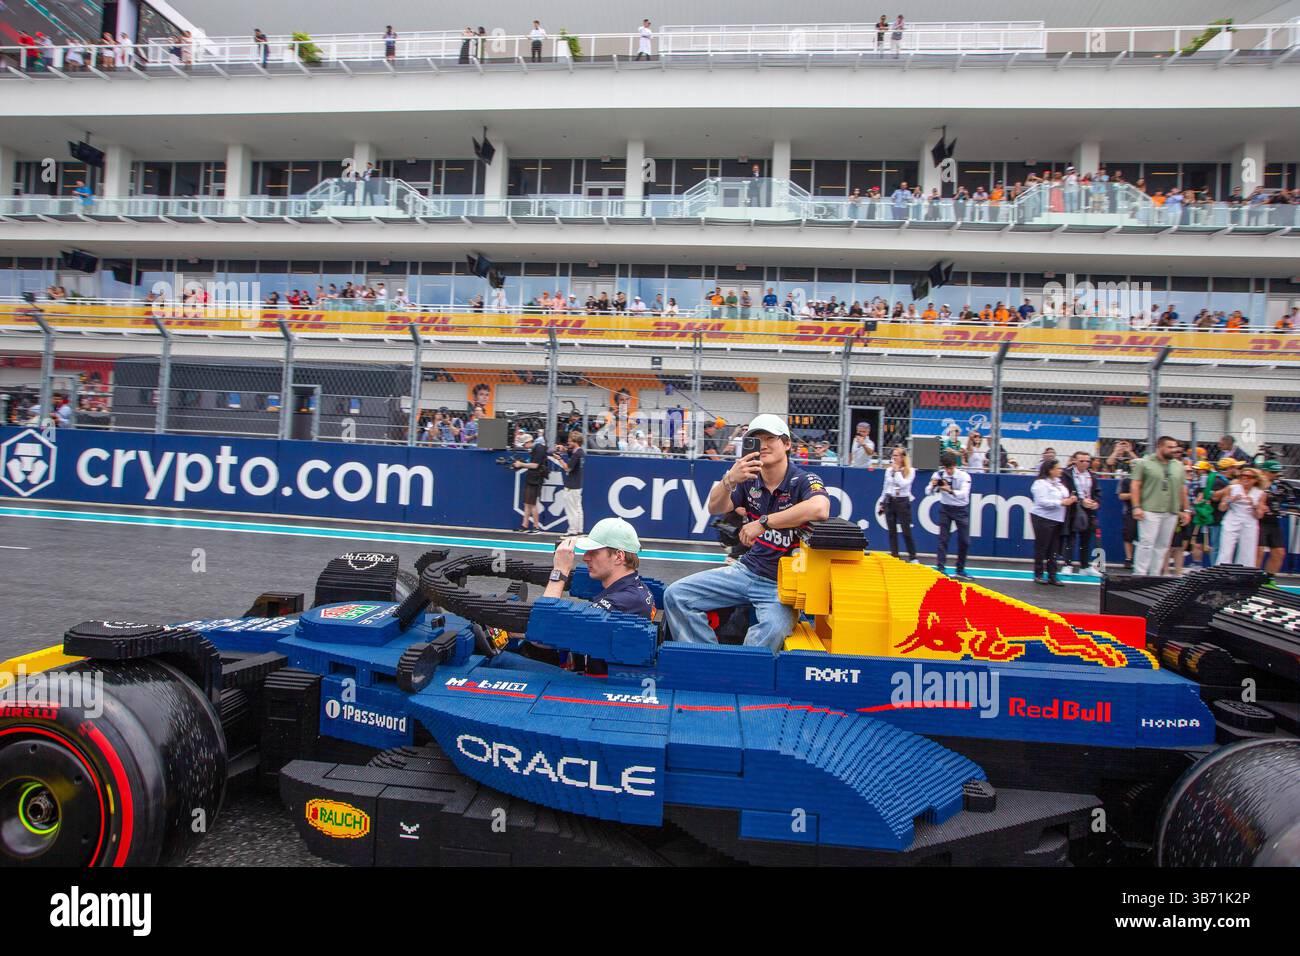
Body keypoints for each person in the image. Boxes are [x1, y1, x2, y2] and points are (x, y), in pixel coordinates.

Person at [664, 414, 831, 652]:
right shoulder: (747, 480)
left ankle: (740, 672)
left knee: (772, 629)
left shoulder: (803, 479)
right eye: (756, 439)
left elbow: (820, 508)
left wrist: (764, 522)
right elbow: (715, 507)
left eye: (769, 438)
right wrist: (729, 479)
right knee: (676, 595)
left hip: (780, 586)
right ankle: (706, 660)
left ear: (786, 444)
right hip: (746, 570)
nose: (762, 445)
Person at [544, 518, 654, 617]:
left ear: (619, 556)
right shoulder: (635, 590)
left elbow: (544, 621)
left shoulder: (620, 602)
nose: (585, 557)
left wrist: (559, 572)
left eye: (594, 552)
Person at [1129, 436, 1191, 576]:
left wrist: (1186, 510)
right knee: (1146, 543)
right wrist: (1136, 506)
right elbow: (1135, 485)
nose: (1173, 450)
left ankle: (1155, 575)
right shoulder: (1144, 463)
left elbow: (1182, 489)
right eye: (1169, 447)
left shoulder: (1178, 465)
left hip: (1171, 510)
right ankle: (1140, 574)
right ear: (1159, 447)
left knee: (1163, 546)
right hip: (1150, 509)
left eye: (1174, 447)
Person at [929, 450, 974, 581]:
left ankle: (960, 569)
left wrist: (949, 490)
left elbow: (964, 494)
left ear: (955, 465)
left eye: (950, 468)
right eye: (945, 468)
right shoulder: (939, 475)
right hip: (946, 508)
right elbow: (927, 492)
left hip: (961, 509)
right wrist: (933, 486)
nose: (948, 471)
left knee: (965, 541)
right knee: (943, 538)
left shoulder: (964, 476)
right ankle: (940, 567)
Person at [1030, 459, 1076, 586]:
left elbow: (1063, 497)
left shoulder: (1059, 484)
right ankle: (1038, 574)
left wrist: (1070, 499)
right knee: (1042, 546)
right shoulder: (1040, 483)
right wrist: (1061, 502)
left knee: (1054, 548)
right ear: (1050, 470)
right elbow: (1042, 501)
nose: (1060, 470)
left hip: (1057, 519)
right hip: (1043, 518)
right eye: (1058, 468)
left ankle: (1052, 575)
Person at [1059, 451, 1100, 574]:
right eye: (1081, 461)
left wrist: (1096, 502)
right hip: (1074, 508)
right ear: (1075, 461)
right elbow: (1066, 490)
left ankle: (1084, 565)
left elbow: (1097, 492)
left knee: (1086, 538)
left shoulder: (1092, 475)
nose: (1085, 463)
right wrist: (1081, 501)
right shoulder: (1067, 474)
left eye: (1087, 461)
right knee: (1071, 537)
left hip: (1089, 510)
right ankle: (1067, 564)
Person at [1217, 468, 1268, 566]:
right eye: (1242, 476)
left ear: (1255, 479)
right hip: (1232, 519)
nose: (1245, 478)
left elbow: (1259, 515)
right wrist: (1230, 500)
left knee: (1247, 551)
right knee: (1226, 549)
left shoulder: (1260, 493)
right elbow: (1221, 508)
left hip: (1249, 522)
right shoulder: (1232, 488)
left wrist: (1254, 505)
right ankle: (1222, 572)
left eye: (1249, 477)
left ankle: (1244, 574)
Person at [877, 446, 917, 562]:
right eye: (893, 455)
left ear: (902, 457)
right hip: (890, 500)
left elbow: (904, 484)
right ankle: (895, 556)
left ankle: (913, 556)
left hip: (902, 501)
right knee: (892, 531)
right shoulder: (889, 470)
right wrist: (882, 501)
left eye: (896, 455)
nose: (893, 458)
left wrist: (897, 471)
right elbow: (886, 487)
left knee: (906, 531)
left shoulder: (910, 471)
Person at [511, 431, 550, 533]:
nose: (524, 446)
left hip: (536, 480)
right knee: (527, 503)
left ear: (529, 442)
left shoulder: (539, 449)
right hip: (532, 478)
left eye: (524, 444)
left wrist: (521, 464)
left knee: (532, 503)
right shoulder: (534, 450)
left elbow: (535, 465)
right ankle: (524, 525)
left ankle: (536, 527)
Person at [1256, 461, 1287, 575]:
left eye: (1277, 472)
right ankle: (1253, 579)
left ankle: (1269, 580)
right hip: (1259, 521)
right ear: (1263, 472)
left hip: (1274, 521)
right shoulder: (1257, 484)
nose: (1276, 474)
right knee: (1259, 552)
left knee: (1279, 552)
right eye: (1272, 472)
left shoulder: (1280, 485)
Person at [552, 431, 585, 534]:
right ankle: (579, 530)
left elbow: (568, 468)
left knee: (571, 509)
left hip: (571, 486)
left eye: (570, 441)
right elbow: (570, 451)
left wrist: (559, 459)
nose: (568, 443)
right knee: (578, 509)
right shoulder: (580, 452)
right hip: (577, 484)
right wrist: (563, 449)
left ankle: (572, 530)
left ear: (575, 441)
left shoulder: (576, 454)